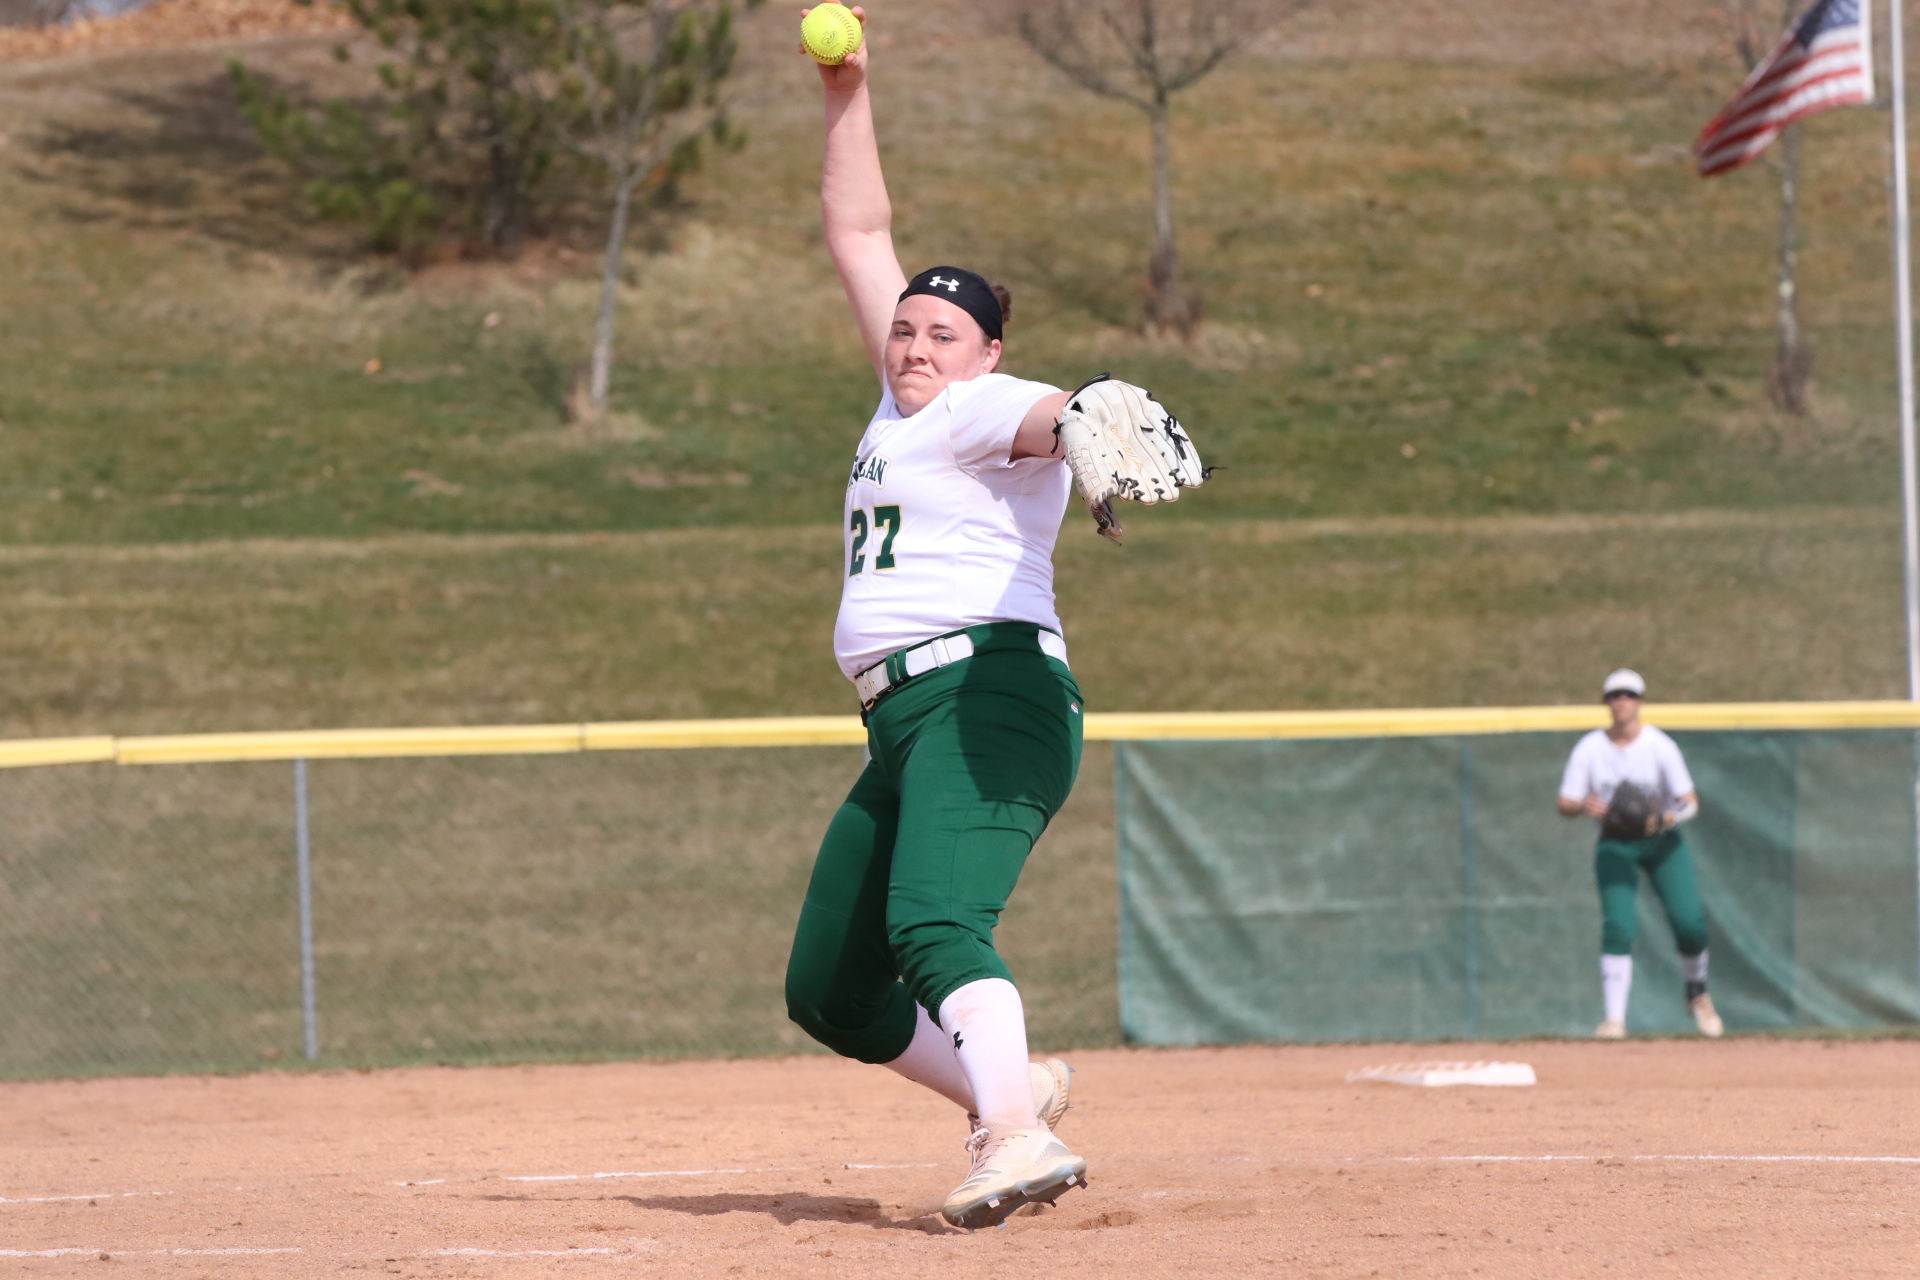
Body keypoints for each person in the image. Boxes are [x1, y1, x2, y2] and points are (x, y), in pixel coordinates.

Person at [780, 6, 1158, 1231]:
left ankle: (1014, 1129)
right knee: (833, 985)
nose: (913, 341)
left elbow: (1054, 413)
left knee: (936, 920)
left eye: (942, 331)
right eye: (904, 326)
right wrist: (850, 88)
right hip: (904, 716)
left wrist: (1084, 412)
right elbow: (858, 227)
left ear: (987, 350)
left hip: (989, 694)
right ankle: (1016, 1082)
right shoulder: (901, 411)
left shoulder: (981, 406)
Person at [1557, 668, 1723, 1040]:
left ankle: (1697, 993)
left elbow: (1689, 801)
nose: (1622, 701)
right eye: (1614, 695)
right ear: (1606, 702)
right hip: (1615, 842)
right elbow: (1565, 802)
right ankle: (1615, 1020)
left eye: (1629, 695)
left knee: (1690, 922)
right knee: (1618, 925)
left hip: (1662, 841)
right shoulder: (1591, 748)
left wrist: (1668, 816)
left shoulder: (1659, 746)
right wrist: (1584, 805)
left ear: (1641, 701)